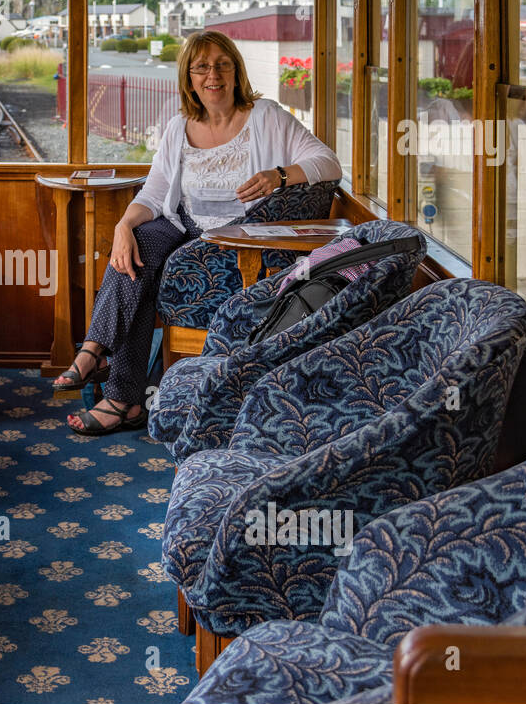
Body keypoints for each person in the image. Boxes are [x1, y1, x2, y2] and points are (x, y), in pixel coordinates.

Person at [54, 30, 342, 435]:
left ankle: (117, 392)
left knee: (143, 272)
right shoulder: (178, 127)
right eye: (202, 67)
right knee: (133, 252)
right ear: (189, 77)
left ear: (236, 71)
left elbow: (328, 162)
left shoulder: (266, 116)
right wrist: (123, 225)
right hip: (183, 227)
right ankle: (97, 354)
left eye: (222, 65)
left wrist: (280, 175)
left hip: (236, 240)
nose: (213, 75)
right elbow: (155, 192)